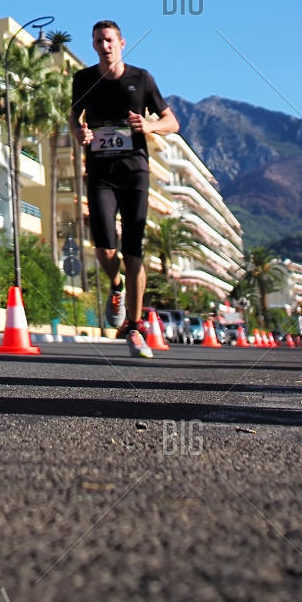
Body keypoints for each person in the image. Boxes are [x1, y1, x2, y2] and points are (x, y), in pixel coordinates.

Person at [71, 21, 180, 358]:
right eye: (98, 41)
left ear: (121, 43)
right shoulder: (83, 80)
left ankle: (133, 327)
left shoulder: (141, 79)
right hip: (101, 172)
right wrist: (80, 133)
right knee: (104, 247)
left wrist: (149, 125)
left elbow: (172, 122)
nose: (104, 45)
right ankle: (115, 286)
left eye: (109, 40)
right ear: (94, 46)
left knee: (133, 252)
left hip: (134, 172)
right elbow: (75, 118)